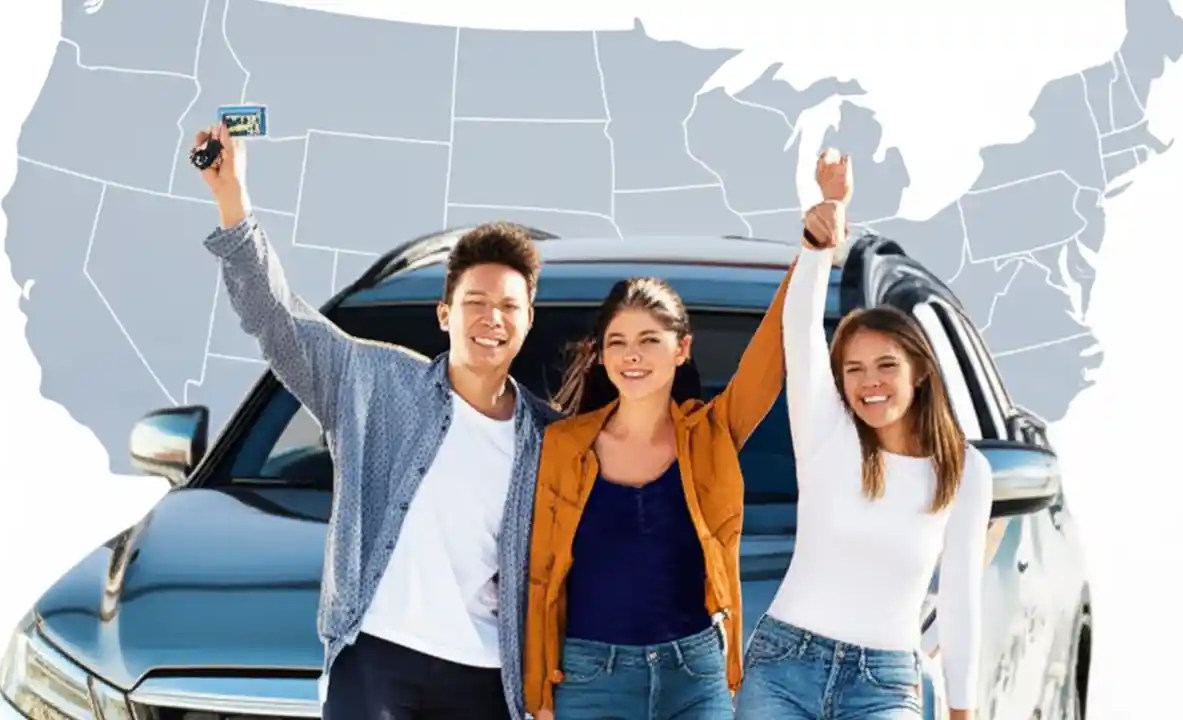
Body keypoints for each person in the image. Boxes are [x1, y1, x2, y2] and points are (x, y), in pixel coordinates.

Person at [192, 123, 559, 719]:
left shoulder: (550, 441)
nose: (492, 318)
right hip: (377, 660)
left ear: (527, 321)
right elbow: (277, 320)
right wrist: (233, 200)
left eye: (508, 307)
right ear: (445, 314)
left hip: (489, 682)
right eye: (475, 303)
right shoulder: (374, 382)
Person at [520, 202, 839, 718]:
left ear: (681, 349)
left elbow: (774, 351)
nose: (633, 355)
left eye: (651, 340)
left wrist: (811, 251)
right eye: (618, 342)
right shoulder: (562, 446)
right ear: (600, 354)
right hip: (586, 677)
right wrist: (539, 688)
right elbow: (539, 573)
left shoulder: (709, 434)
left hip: (693, 675)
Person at [733, 150, 994, 720]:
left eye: (886, 367)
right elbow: (799, 331)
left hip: (885, 682)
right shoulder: (826, 433)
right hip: (784, 666)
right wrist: (823, 231)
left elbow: (959, 599)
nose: (869, 384)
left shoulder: (964, 471)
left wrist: (962, 708)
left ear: (920, 370)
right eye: (853, 369)